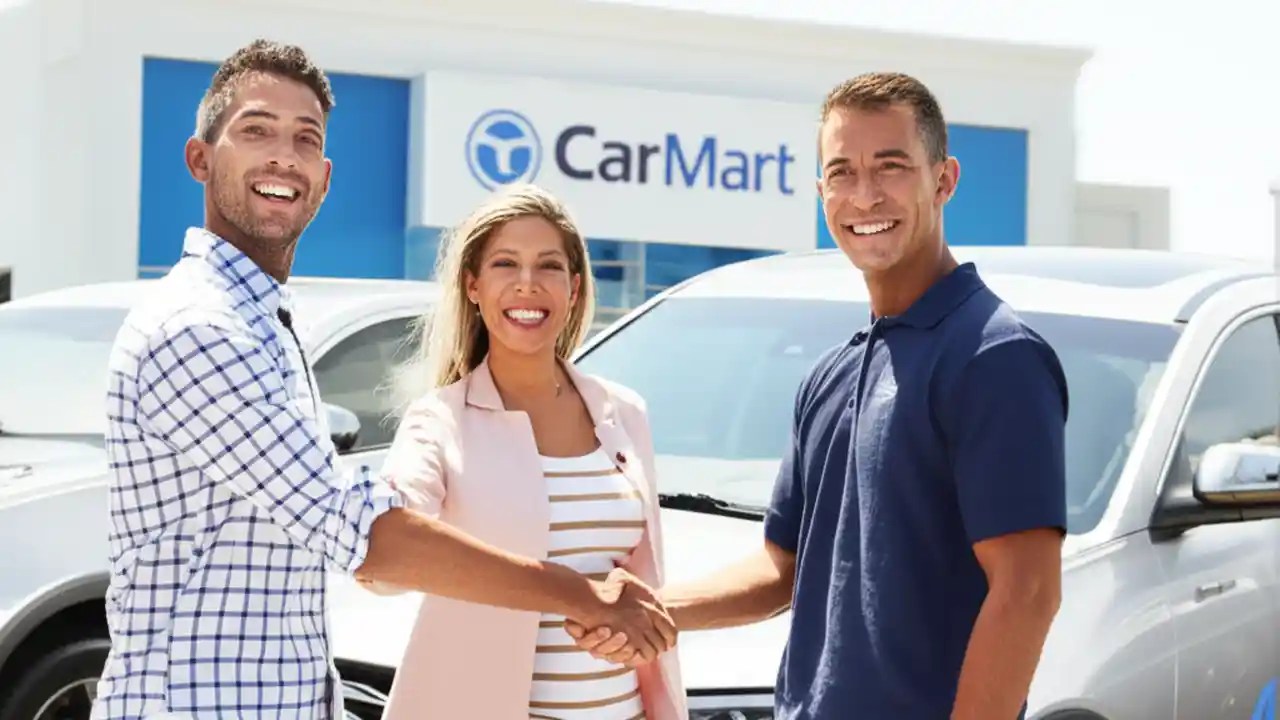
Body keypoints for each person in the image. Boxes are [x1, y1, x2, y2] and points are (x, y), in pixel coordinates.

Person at [93, 39, 672, 720]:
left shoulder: (264, 322)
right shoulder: (200, 329)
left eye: (304, 139)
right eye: (256, 131)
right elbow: (363, 536)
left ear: (325, 177)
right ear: (199, 158)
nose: (283, 155)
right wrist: (581, 594)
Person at [570, 71, 1069, 719]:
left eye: (890, 167)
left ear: (943, 179)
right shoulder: (832, 373)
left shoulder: (994, 356)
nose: (864, 196)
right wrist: (650, 606)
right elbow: (783, 571)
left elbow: (1027, 591)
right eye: (841, 173)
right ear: (820, 192)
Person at [356, 182, 687, 720]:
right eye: (506, 264)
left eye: (549, 266)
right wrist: (570, 591)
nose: (528, 285)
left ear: (574, 288)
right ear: (473, 286)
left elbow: (642, 591)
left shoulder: (624, 413)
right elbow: (382, 563)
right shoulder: (439, 421)